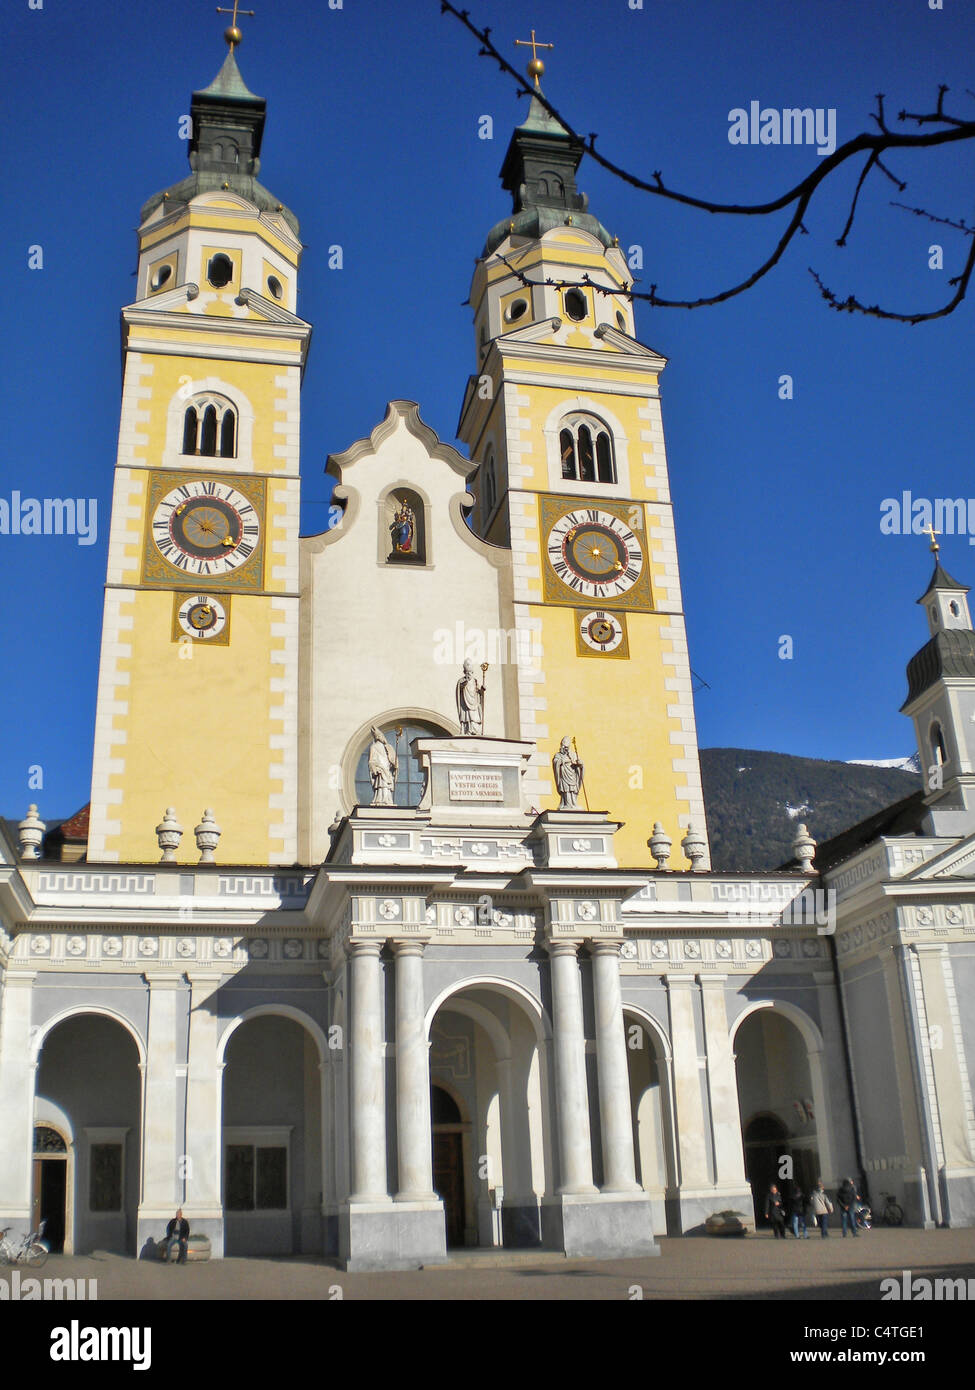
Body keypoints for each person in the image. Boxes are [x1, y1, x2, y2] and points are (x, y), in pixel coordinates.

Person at [552, 736, 584, 809]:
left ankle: (574, 803)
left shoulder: (573, 754)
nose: (565, 749)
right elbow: (556, 762)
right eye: (564, 747)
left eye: (567, 747)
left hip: (572, 774)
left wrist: (580, 764)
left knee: (573, 789)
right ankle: (567, 804)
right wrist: (563, 761)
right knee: (566, 789)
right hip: (564, 775)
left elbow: (578, 763)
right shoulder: (558, 755)